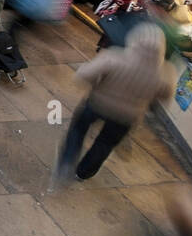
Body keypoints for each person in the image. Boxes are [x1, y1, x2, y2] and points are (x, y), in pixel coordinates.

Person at [53, 22, 173, 185]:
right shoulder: (166, 73)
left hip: (97, 104)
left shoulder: (115, 56)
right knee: (105, 144)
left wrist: (89, 77)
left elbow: (85, 75)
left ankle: (67, 162)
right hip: (128, 117)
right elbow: (166, 96)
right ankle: (83, 173)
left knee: (78, 130)